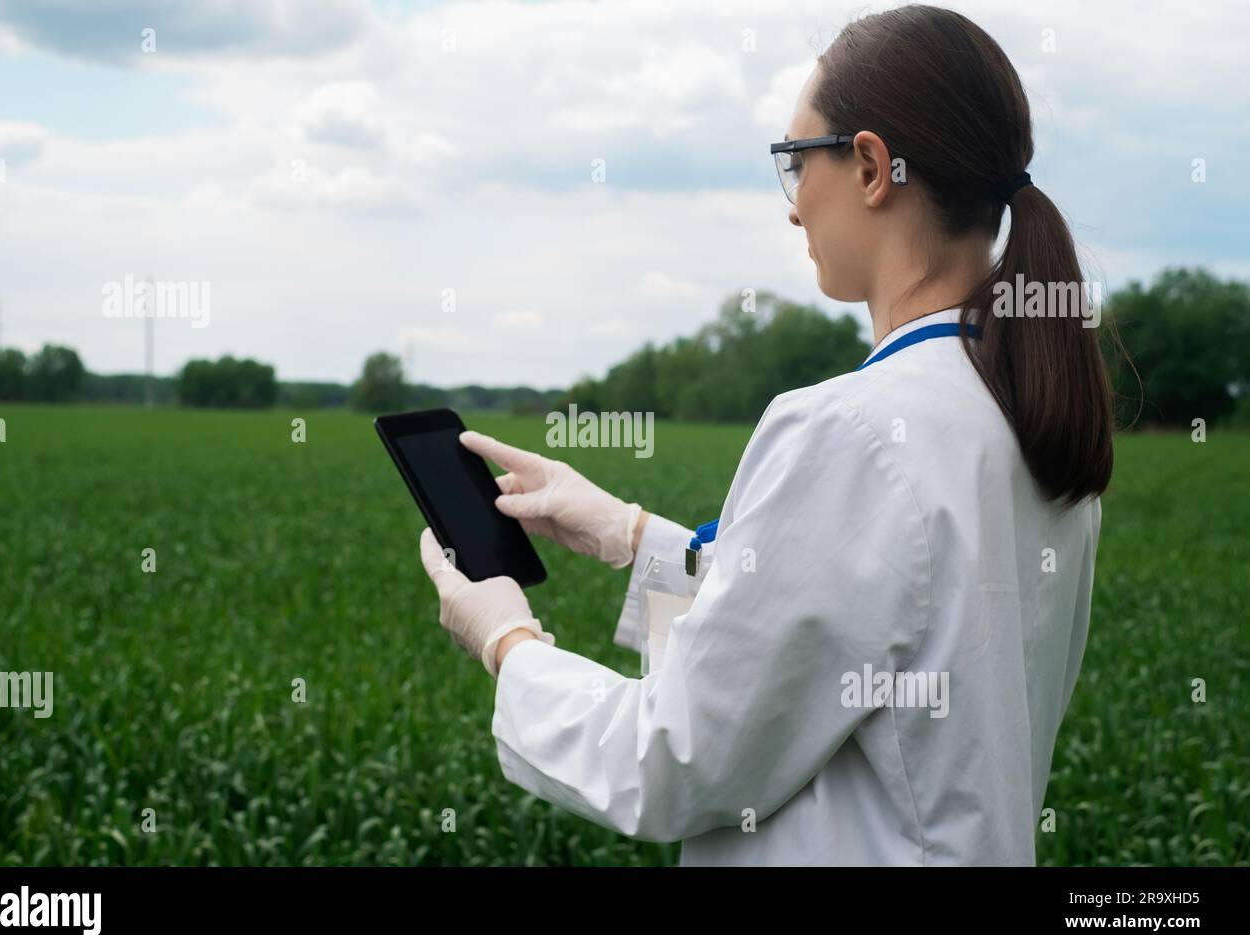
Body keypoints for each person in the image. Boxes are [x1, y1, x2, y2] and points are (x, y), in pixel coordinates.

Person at [417, 4, 1112, 865]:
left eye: (794, 161)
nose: (792, 210)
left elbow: (670, 762)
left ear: (869, 168)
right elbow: (850, 632)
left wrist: (507, 641)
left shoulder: (851, 431)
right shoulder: (1028, 412)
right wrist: (630, 536)